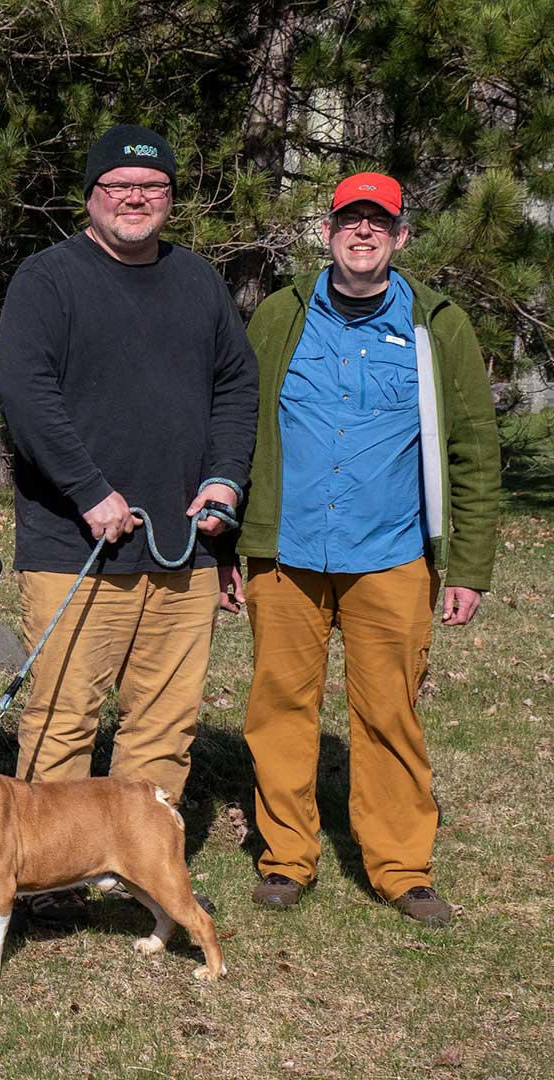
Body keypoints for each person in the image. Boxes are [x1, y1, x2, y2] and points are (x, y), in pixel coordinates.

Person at [0, 124, 257, 924]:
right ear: (92, 197)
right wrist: (89, 490)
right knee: (62, 723)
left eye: (152, 189)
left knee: (164, 726)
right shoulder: (49, 280)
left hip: (182, 553)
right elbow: (24, 392)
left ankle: (139, 870)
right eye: (119, 187)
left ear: (169, 199)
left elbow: (236, 392)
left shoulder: (200, 284)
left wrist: (221, 482)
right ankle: (44, 878)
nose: (136, 200)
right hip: (77, 547)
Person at [237, 172, 500, 926]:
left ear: (401, 237)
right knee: (279, 707)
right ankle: (287, 858)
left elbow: (474, 448)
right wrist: (232, 543)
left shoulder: (436, 324)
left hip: (392, 555)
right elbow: (243, 425)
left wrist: (470, 567)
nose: (362, 233)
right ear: (327, 232)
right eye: (349, 220)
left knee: (389, 713)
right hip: (285, 553)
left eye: (377, 223)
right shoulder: (281, 317)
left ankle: (399, 867)